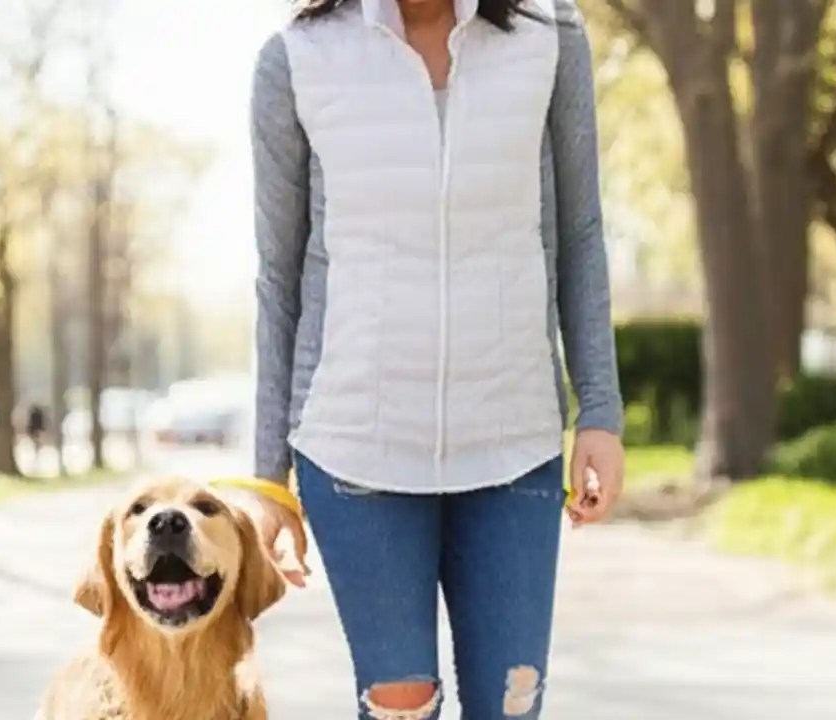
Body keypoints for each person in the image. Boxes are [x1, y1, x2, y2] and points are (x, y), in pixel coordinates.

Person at [236, 1, 626, 717]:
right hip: (356, 449)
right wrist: (269, 479)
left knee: (509, 703)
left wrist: (599, 409)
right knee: (400, 705)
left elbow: (581, 232)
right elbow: (278, 276)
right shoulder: (297, 58)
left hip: (513, 440)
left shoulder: (550, 36)